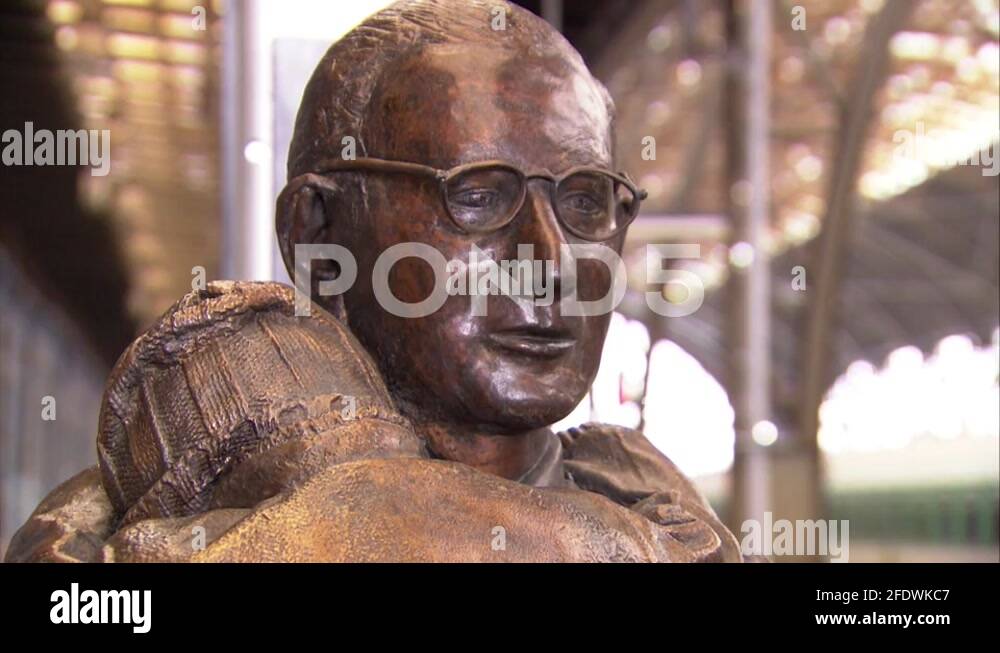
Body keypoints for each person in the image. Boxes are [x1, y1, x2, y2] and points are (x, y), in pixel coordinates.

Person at [5, 0, 742, 562]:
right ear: (318, 235)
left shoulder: (659, 510)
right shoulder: (121, 531)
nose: (550, 261)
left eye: (584, 202)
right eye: (479, 197)